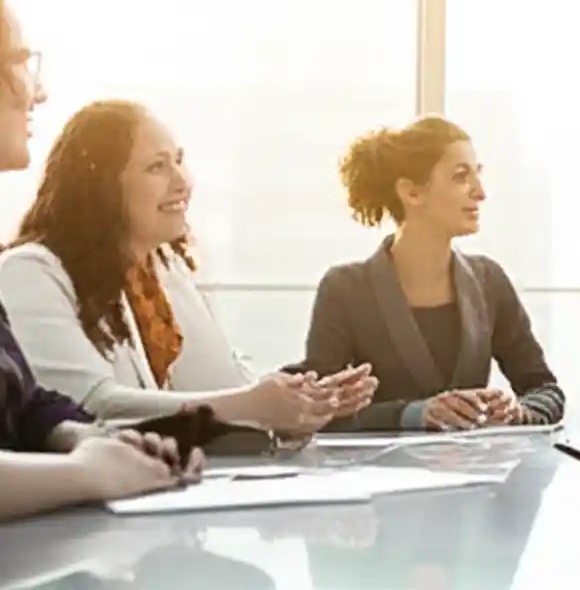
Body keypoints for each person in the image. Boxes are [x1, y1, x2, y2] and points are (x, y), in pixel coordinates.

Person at [0, 100, 377, 433]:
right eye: (157, 167)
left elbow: (223, 386)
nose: (182, 182)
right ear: (101, 186)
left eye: (178, 161)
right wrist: (254, 406)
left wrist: (304, 402)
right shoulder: (30, 272)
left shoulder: (162, 269)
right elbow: (90, 407)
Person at [0, 0, 202, 521]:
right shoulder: (30, 270)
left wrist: (88, 439)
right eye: (19, 62)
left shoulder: (163, 275)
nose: (37, 92)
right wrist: (86, 473)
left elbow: (23, 405)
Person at [299, 115, 564, 431]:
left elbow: (545, 391)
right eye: (461, 176)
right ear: (412, 193)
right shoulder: (345, 289)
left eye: (478, 173)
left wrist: (518, 412)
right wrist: (412, 414)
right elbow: (316, 411)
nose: (480, 192)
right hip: (382, 464)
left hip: (477, 463)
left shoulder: (489, 280)